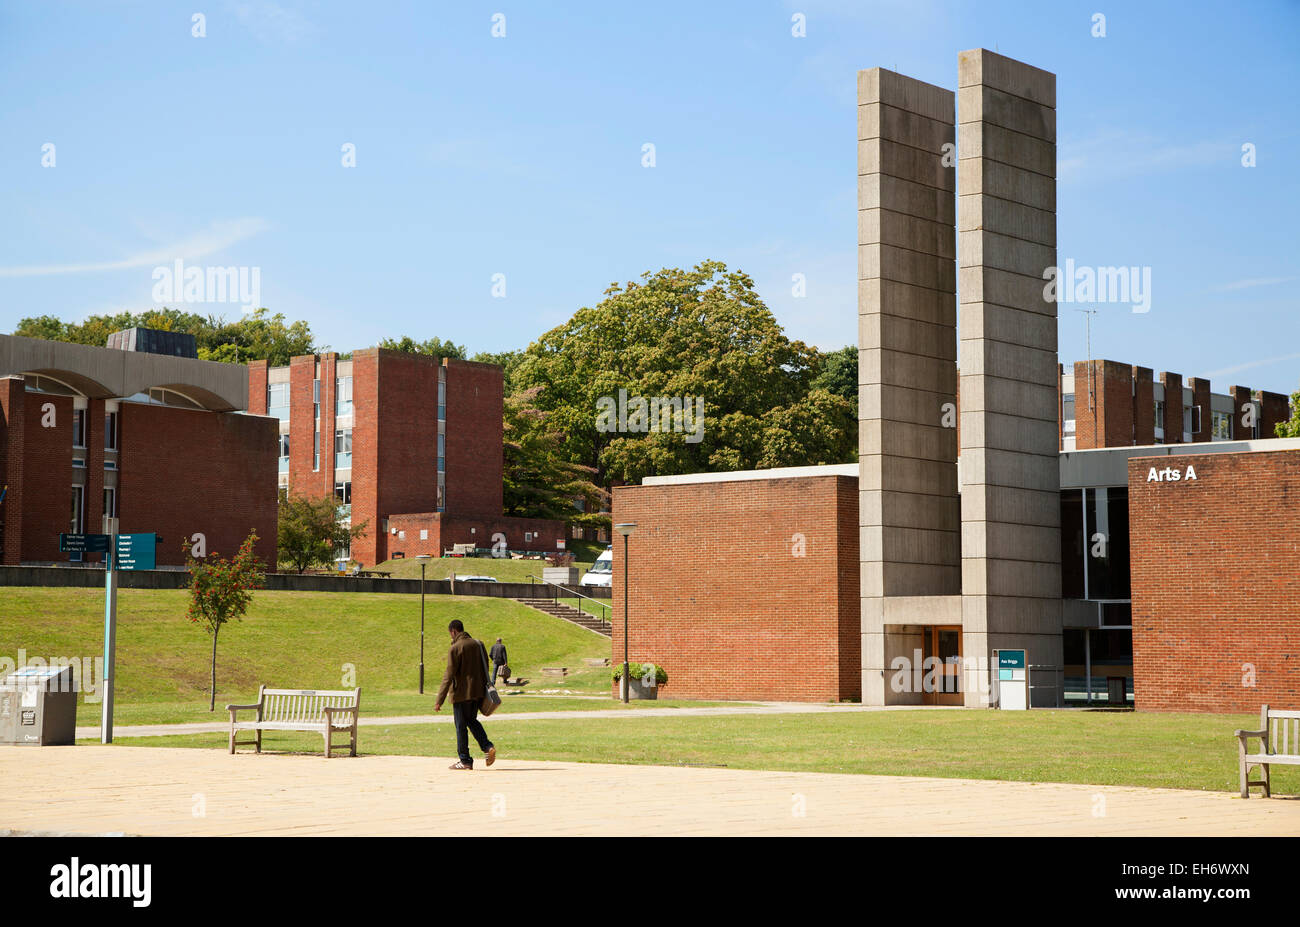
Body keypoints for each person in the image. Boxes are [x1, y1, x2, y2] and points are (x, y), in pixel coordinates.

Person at [433, 619, 496, 770]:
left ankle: (465, 760)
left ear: (453, 631)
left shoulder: (455, 648)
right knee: (472, 721)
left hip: (461, 693)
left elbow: (448, 675)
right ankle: (487, 747)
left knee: (460, 726)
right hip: (477, 692)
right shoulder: (478, 644)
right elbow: (485, 666)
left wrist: (439, 700)